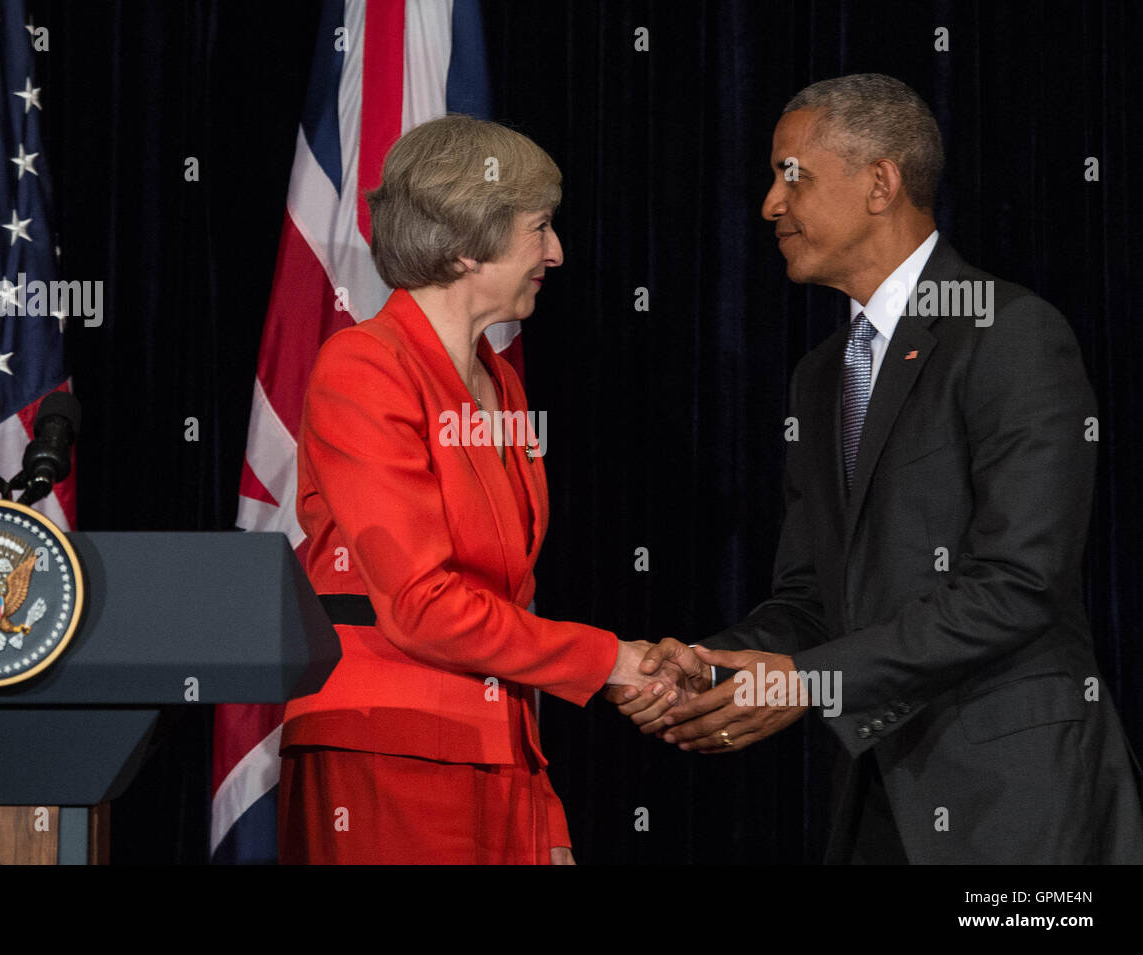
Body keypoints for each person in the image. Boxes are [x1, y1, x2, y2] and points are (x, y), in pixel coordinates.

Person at [612, 74, 1143, 863]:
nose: (769, 204)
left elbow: (1019, 583)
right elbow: (815, 598)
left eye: (791, 174)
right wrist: (717, 665)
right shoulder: (822, 374)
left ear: (880, 183)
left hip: (1021, 805)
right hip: (876, 800)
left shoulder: (1009, 333)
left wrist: (809, 682)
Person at [278, 114, 687, 864]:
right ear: (468, 243)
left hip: (500, 745)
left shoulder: (500, 383)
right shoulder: (364, 368)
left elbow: (502, 602)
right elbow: (422, 605)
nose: (556, 253)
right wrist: (611, 660)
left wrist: (540, 806)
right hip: (389, 750)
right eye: (540, 228)